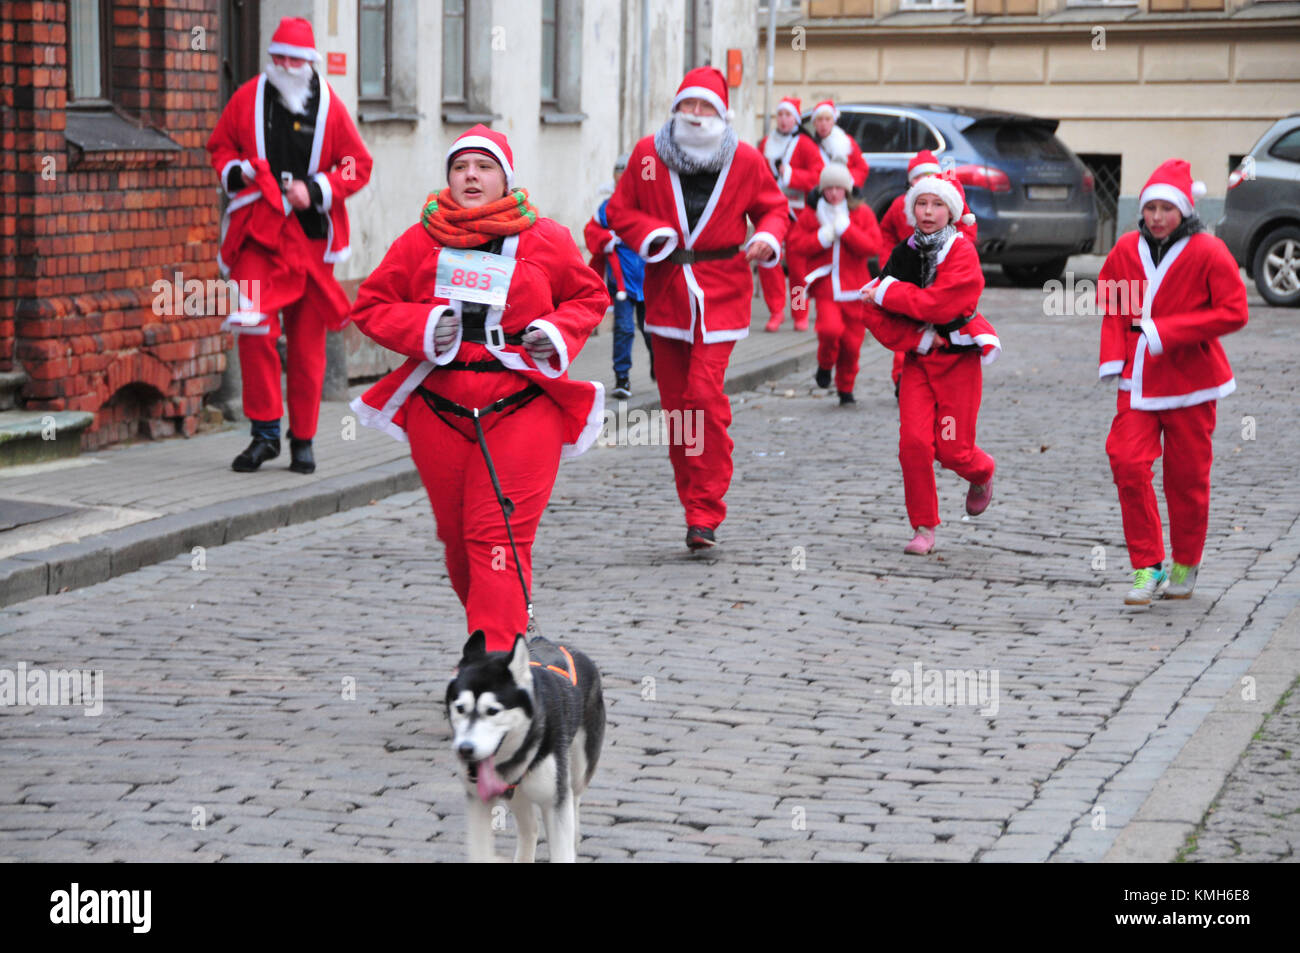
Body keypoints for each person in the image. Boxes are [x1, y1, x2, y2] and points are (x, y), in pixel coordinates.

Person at [349, 126, 607, 652]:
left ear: (505, 179)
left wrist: (554, 332)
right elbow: (371, 305)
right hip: (438, 409)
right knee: (460, 544)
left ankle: (494, 663)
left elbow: (589, 296)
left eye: (484, 167)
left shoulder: (544, 238)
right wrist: (423, 327)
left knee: (497, 539)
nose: (471, 175)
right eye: (461, 166)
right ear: (448, 178)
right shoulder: (420, 238)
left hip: (522, 405)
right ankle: (494, 641)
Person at [606, 67, 789, 550]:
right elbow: (620, 210)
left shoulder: (745, 159)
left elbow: (773, 208)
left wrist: (768, 237)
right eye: (689, 105)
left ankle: (708, 507)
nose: (696, 115)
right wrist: (649, 235)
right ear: (677, 108)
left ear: (721, 114)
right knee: (678, 411)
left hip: (721, 293)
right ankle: (695, 513)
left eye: (706, 107)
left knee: (703, 398)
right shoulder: (648, 156)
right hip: (666, 293)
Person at [207, 17, 372, 474]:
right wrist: (238, 172)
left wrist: (316, 189)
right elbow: (219, 148)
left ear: (309, 63)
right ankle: (263, 434)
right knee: (254, 327)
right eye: (278, 57)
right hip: (258, 235)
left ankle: (303, 437)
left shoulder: (330, 109)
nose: (284, 65)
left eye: (293, 59)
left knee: (307, 341)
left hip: (311, 240)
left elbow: (358, 164)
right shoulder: (246, 98)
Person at [1098, 159, 1248, 605]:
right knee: (1126, 463)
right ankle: (1147, 565)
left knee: (1187, 480)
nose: (1158, 216)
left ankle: (1186, 559)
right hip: (1138, 382)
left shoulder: (1209, 251)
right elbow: (1111, 299)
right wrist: (1113, 358)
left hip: (1192, 385)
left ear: (1184, 210)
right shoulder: (1125, 250)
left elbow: (1233, 312)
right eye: (1151, 208)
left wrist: (1167, 332)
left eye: (1167, 208)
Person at [860, 171, 1000, 555]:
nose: (928, 211)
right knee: (914, 443)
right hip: (920, 362)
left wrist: (888, 290)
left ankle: (982, 471)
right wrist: (915, 338)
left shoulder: (962, 253)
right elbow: (872, 313)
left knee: (953, 449)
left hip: (959, 362)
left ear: (951, 212)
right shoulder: (903, 253)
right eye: (921, 203)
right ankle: (924, 526)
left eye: (938, 204)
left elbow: (940, 304)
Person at [878, 150, 978, 397]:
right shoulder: (899, 206)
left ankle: (938, 378)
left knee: (934, 321)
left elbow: (967, 234)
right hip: (908, 271)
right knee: (905, 327)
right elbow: (886, 233)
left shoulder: (948, 211)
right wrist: (888, 266)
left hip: (938, 278)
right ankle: (902, 377)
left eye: (928, 176)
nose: (927, 210)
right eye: (917, 178)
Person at [787, 161, 882, 404]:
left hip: (855, 288)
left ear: (847, 189)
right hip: (827, 285)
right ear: (822, 190)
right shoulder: (812, 214)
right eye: (828, 188)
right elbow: (797, 245)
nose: (833, 193)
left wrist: (847, 230)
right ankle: (825, 364)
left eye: (838, 188)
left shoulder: (861, 214)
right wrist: (822, 237)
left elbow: (873, 246)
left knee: (852, 344)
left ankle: (846, 387)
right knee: (829, 330)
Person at [583, 154, 652, 399]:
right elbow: (591, 232)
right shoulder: (607, 209)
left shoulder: (649, 206)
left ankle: (660, 367)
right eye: (618, 177)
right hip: (622, 282)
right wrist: (608, 240)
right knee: (623, 329)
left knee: (651, 330)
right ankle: (622, 378)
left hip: (650, 282)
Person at [757, 96, 824, 333]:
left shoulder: (805, 145)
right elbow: (755, 174)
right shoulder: (766, 143)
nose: (784, 120)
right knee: (768, 261)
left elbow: (818, 177)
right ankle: (776, 311)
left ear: (795, 119)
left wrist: (792, 175)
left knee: (797, 268)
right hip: (770, 213)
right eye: (781, 115)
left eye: (788, 116)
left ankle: (799, 312)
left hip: (798, 214)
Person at [810, 101, 868, 195]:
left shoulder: (846, 141)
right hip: (819, 192)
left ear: (833, 121)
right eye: (820, 119)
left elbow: (862, 168)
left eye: (827, 119)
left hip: (844, 192)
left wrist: (847, 181)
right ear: (814, 123)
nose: (823, 124)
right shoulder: (809, 143)